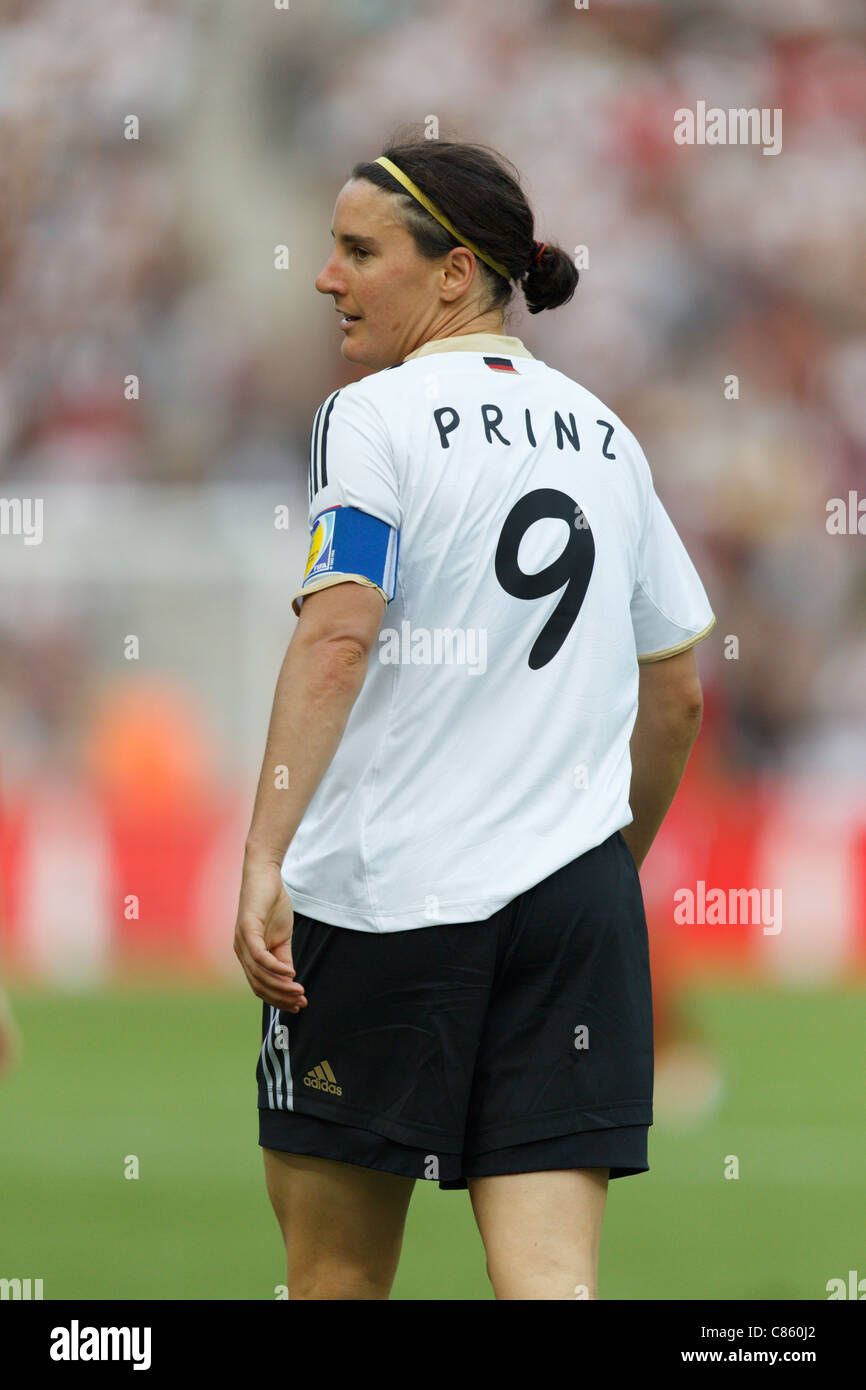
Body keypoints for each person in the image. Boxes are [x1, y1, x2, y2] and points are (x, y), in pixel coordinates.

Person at [233, 137, 714, 1301]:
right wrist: (603, 866)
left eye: (357, 250)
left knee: (335, 1277)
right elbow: (678, 686)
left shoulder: (371, 416)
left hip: (386, 894)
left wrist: (262, 848)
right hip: (569, 908)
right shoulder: (609, 436)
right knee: (552, 1284)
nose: (324, 276)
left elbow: (338, 633)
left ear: (454, 273)